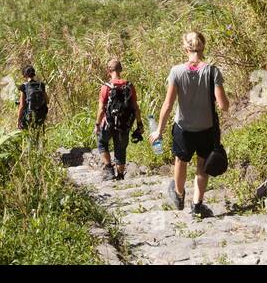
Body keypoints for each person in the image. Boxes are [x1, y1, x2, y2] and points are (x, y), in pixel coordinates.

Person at [150, 31, 228, 218]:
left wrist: (159, 131)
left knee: (180, 161)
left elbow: (168, 104)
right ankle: (197, 205)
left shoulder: (176, 71)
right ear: (203, 47)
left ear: (185, 48)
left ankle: (178, 194)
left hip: (183, 128)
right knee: (202, 165)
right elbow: (224, 106)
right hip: (206, 128)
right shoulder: (212, 71)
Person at [94, 58, 142, 181]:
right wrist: (139, 123)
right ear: (120, 70)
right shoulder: (129, 86)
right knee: (120, 149)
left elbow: (101, 109)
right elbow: (135, 107)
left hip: (108, 123)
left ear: (108, 70)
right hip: (124, 124)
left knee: (101, 142)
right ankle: (120, 176)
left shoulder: (106, 87)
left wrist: (97, 124)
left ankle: (108, 168)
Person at [17, 65, 48, 130]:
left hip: (29, 117)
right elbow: (47, 101)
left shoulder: (24, 86)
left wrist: (18, 120)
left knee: (24, 130)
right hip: (41, 115)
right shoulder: (41, 85)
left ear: (24, 75)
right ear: (34, 73)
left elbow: (22, 106)